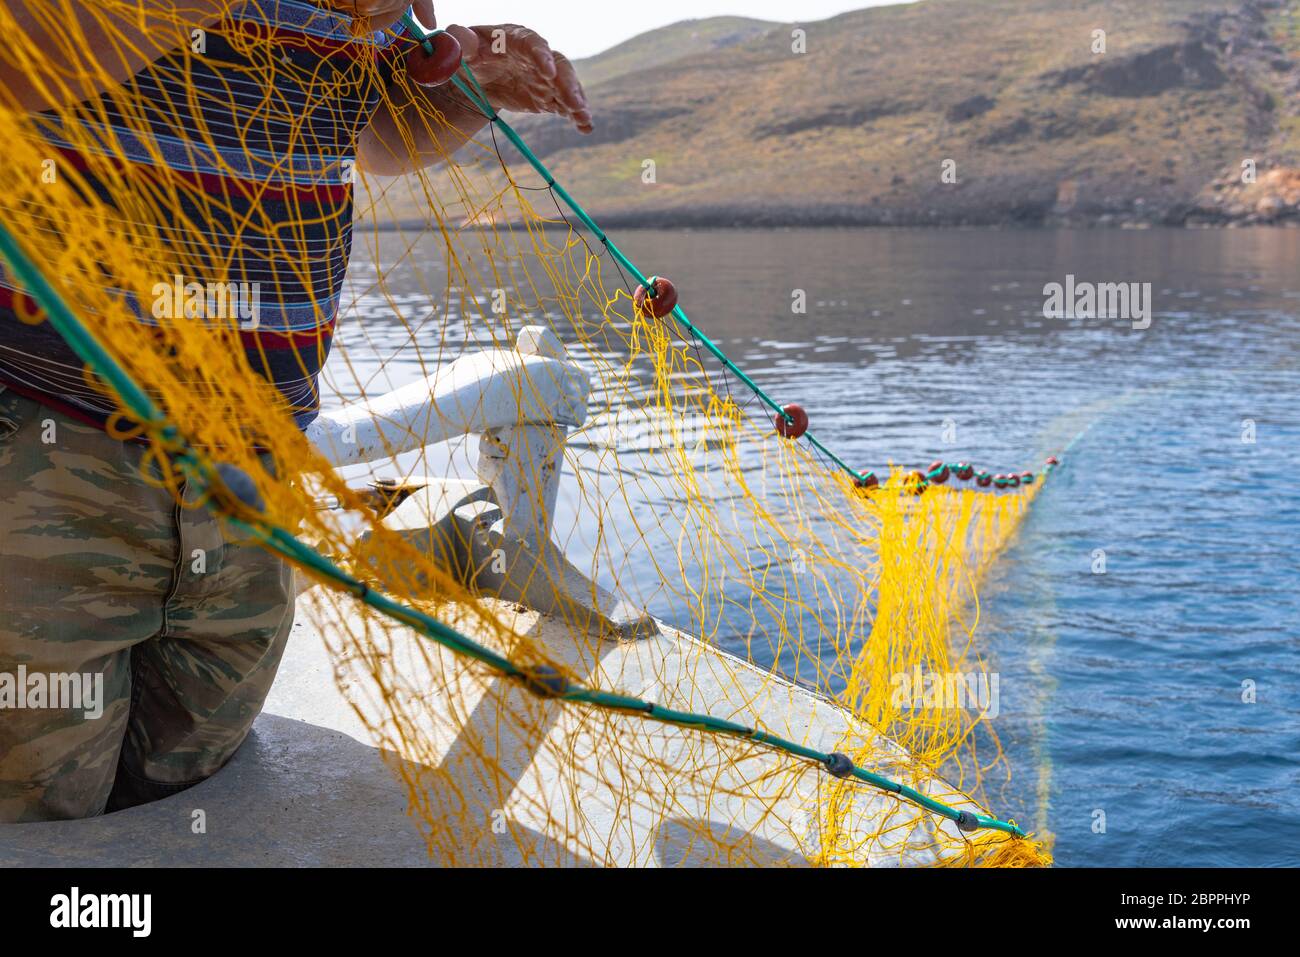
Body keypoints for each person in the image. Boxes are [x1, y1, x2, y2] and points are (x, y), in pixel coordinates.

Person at [0, 0, 591, 822]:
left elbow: (376, 136)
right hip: (49, 442)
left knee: (190, 801)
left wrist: (467, 92)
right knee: (37, 818)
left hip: (257, 466)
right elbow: (16, 63)